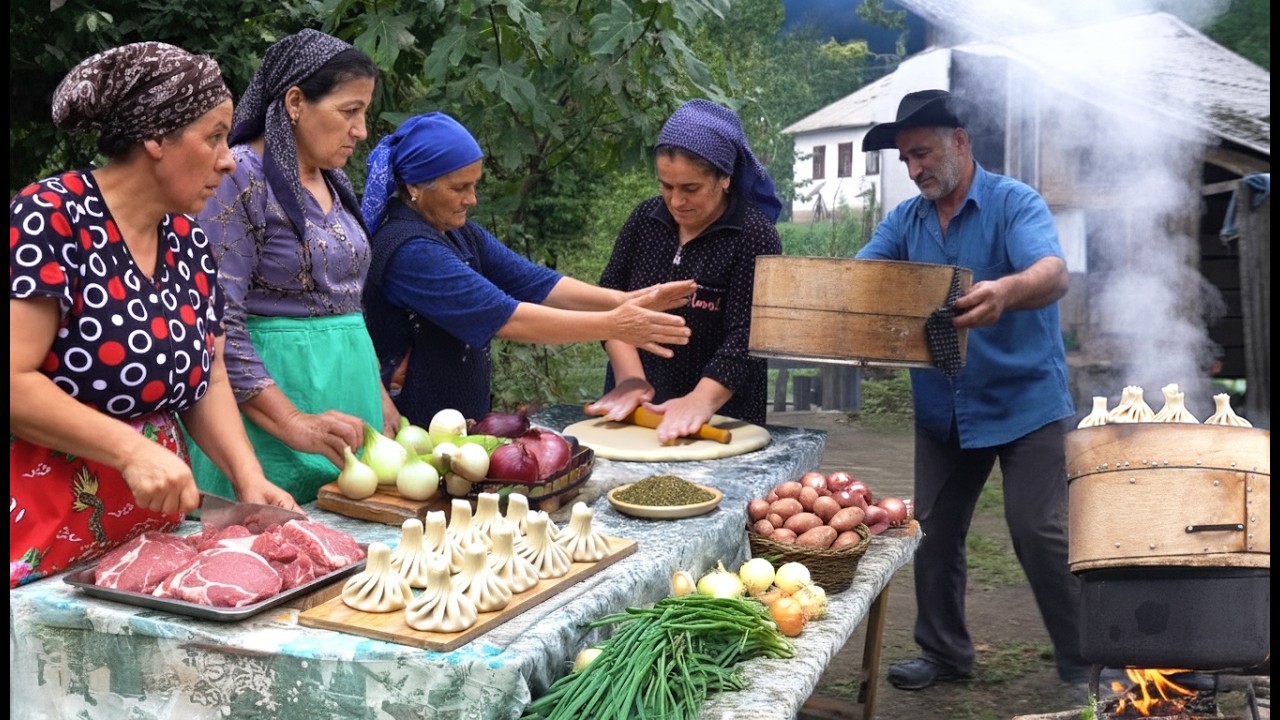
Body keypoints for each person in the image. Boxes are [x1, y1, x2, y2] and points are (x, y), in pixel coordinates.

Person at [10, 42, 298, 588]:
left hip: (153, 537)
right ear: (157, 138)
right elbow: (13, 382)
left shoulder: (189, 240)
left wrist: (247, 477)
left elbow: (206, 374)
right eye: (213, 136)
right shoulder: (51, 216)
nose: (229, 157)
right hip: (47, 529)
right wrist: (129, 448)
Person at [854, 89, 1088, 692]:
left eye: (923, 153)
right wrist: (847, 312)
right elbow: (862, 279)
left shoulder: (1015, 203)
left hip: (1025, 401)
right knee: (930, 530)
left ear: (961, 142)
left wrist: (1006, 291)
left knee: (1037, 529)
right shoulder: (904, 221)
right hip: (945, 406)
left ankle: (1090, 660)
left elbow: (1053, 272)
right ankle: (946, 654)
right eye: (905, 159)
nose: (914, 169)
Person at [360, 112, 695, 425]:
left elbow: (536, 282)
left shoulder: (457, 231)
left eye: (475, 185)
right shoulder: (409, 250)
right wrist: (613, 324)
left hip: (455, 424)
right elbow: (505, 318)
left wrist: (626, 300)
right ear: (416, 187)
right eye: (460, 188)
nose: (472, 199)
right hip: (410, 426)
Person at [191, 29, 396, 505]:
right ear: (296, 101)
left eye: (363, 112)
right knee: (277, 548)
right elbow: (219, 320)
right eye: (350, 111)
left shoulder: (335, 180)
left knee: (357, 550)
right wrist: (290, 421)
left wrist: (379, 393)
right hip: (271, 402)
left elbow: (347, 301)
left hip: (350, 396)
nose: (361, 130)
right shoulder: (238, 176)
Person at [586, 99, 783, 442]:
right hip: (635, 413)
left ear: (725, 178)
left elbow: (749, 337)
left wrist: (699, 401)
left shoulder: (754, 234)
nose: (676, 201)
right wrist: (632, 379)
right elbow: (611, 303)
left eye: (690, 188)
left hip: (718, 420)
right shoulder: (644, 220)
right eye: (666, 186)